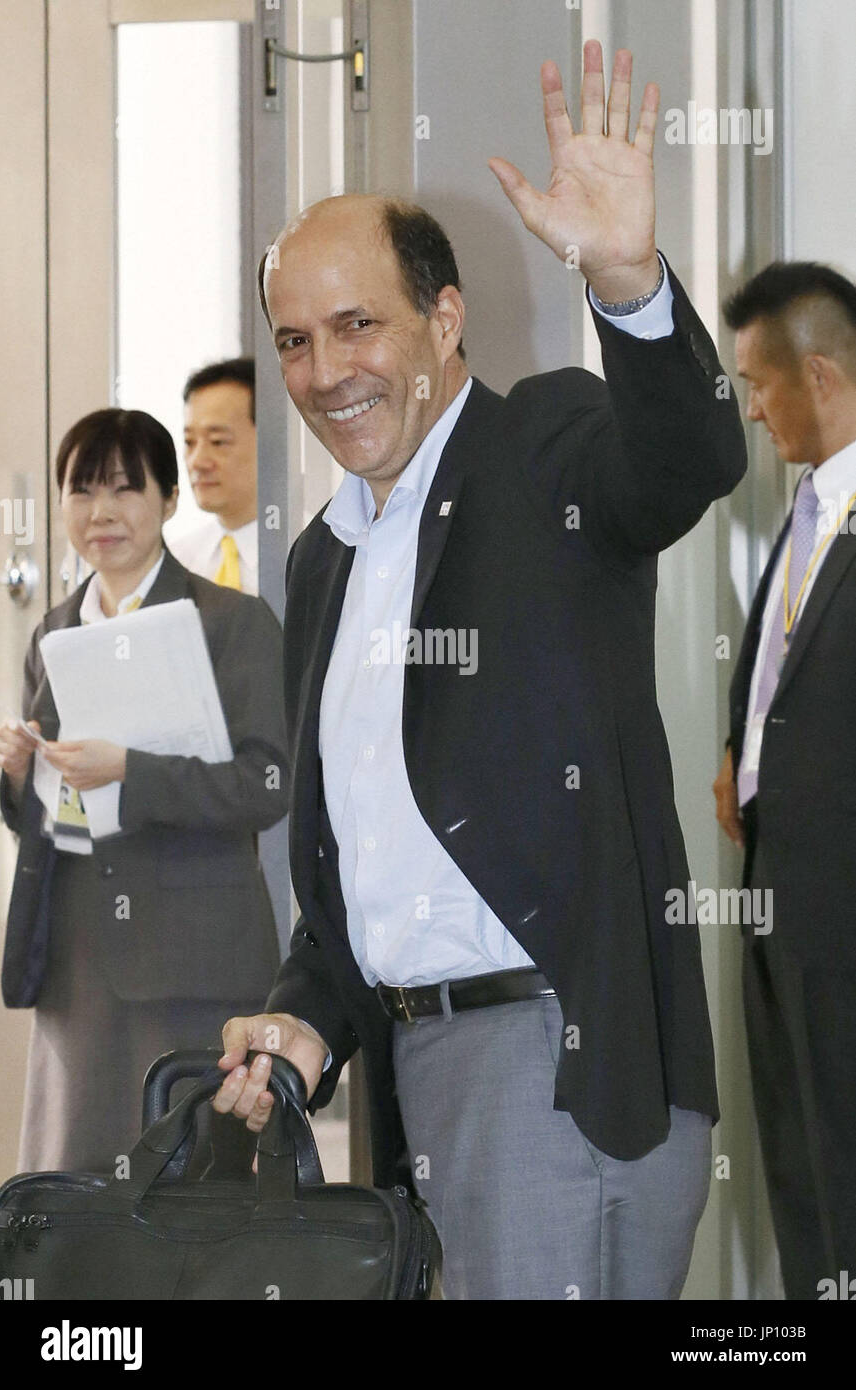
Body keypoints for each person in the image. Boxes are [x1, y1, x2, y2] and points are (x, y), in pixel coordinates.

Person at [214, 45, 746, 1300]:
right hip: (416, 1083)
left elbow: (688, 458)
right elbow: (367, 868)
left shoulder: (546, 447)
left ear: (444, 320)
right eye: (294, 339)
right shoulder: (326, 562)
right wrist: (305, 1014)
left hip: (555, 1068)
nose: (326, 370)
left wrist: (625, 279)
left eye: (359, 325)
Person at [0, 407, 288, 1174]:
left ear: (167, 501)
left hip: (195, 952)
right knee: (79, 1187)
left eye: (126, 489)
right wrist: (22, 774)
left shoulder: (232, 623)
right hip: (79, 960)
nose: (102, 513)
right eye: (82, 491)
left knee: (193, 1189)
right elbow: (49, 819)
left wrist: (132, 767)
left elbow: (266, 784)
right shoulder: (54, 632)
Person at [713, 261, 856, 1300]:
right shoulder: (804, 509)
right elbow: (783, 671)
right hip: (781, 904)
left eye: (759, 384)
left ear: (820, 373)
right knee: (803, 1180)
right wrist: (741, 749)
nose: (753, 409)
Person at [169, 358, 259, 593]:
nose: (197, 461)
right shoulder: (177, 562)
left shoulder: (310, 554)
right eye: (189, 442)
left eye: (218, 442)